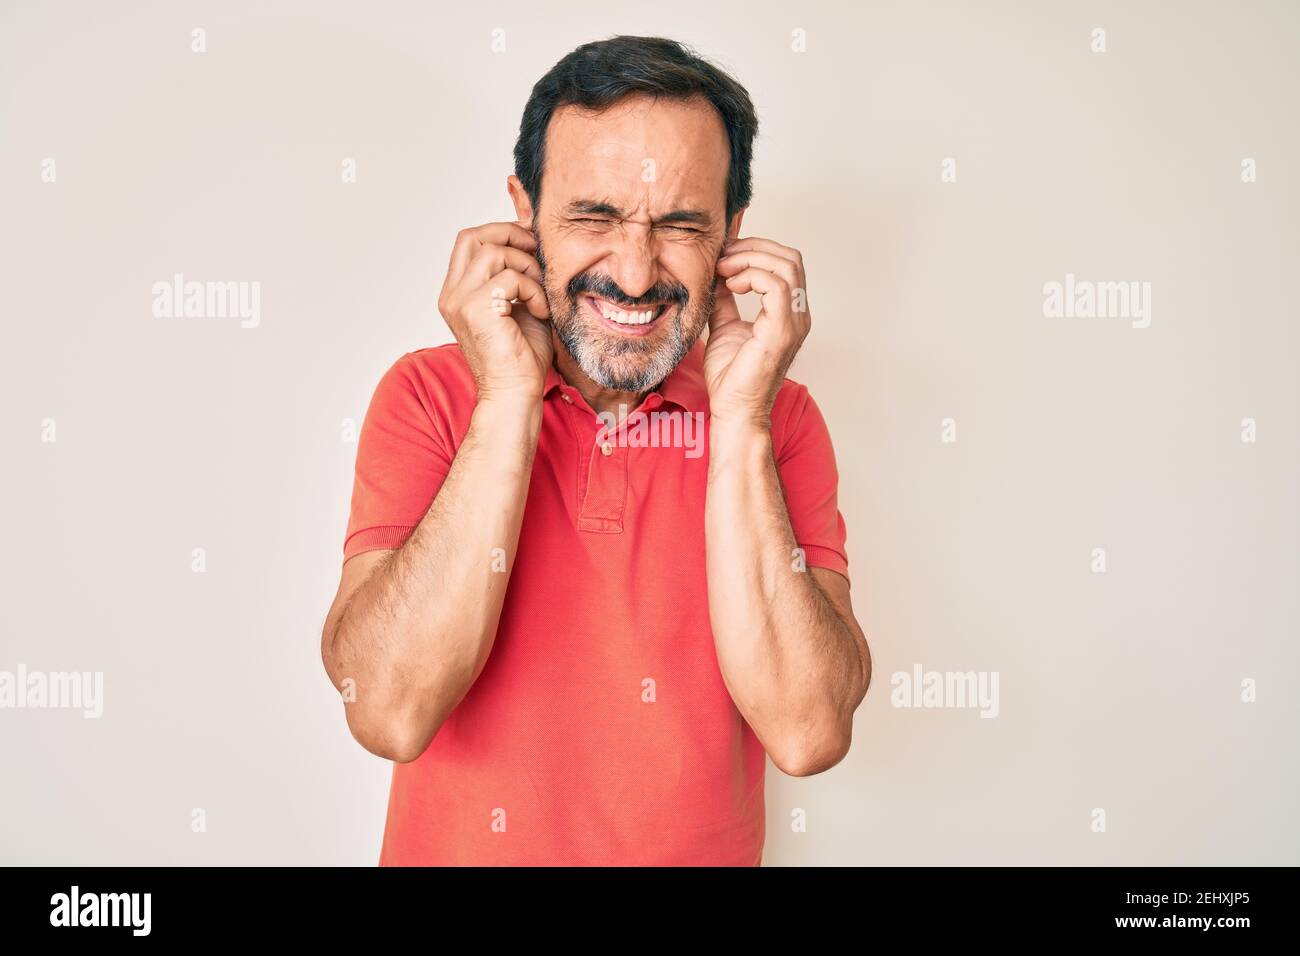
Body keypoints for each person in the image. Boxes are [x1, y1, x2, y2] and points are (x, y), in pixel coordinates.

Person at [320, 34, 871, 866]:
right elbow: (390, 711)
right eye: (594, 216)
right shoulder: (428, 396)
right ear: (522, 210)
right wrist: (507, 397)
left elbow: (807, 730)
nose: (638, 273)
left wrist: (742, 421)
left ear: (732, 234)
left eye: (682, 224)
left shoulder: (778, 419)